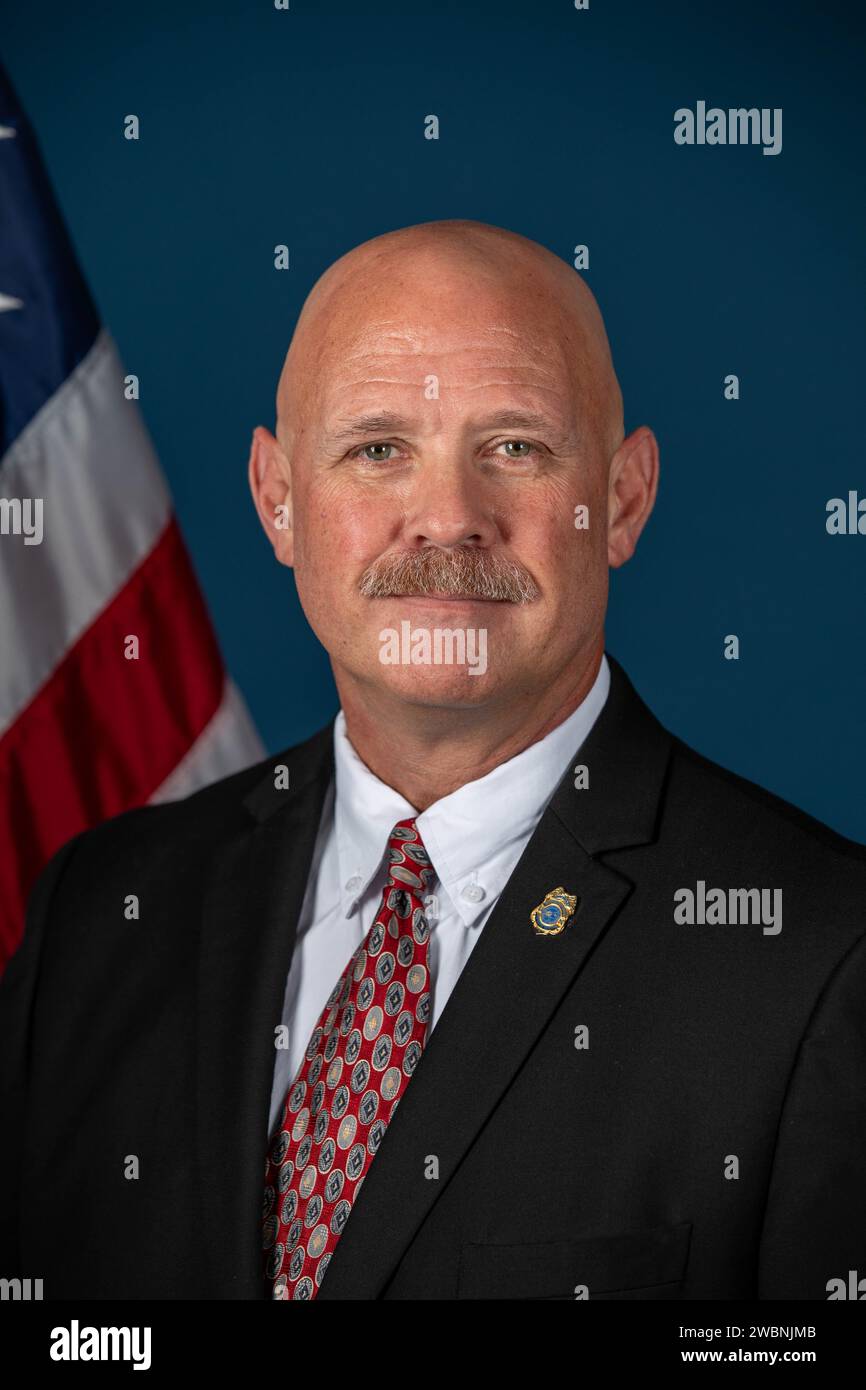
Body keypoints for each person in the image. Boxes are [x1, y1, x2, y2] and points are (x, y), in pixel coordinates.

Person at [1, 220, 864, 1301]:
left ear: (624, 498)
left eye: (514, 447)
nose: (447, 518)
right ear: (277, 498)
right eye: (376, 448)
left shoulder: (825, 959)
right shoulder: (102, 908)